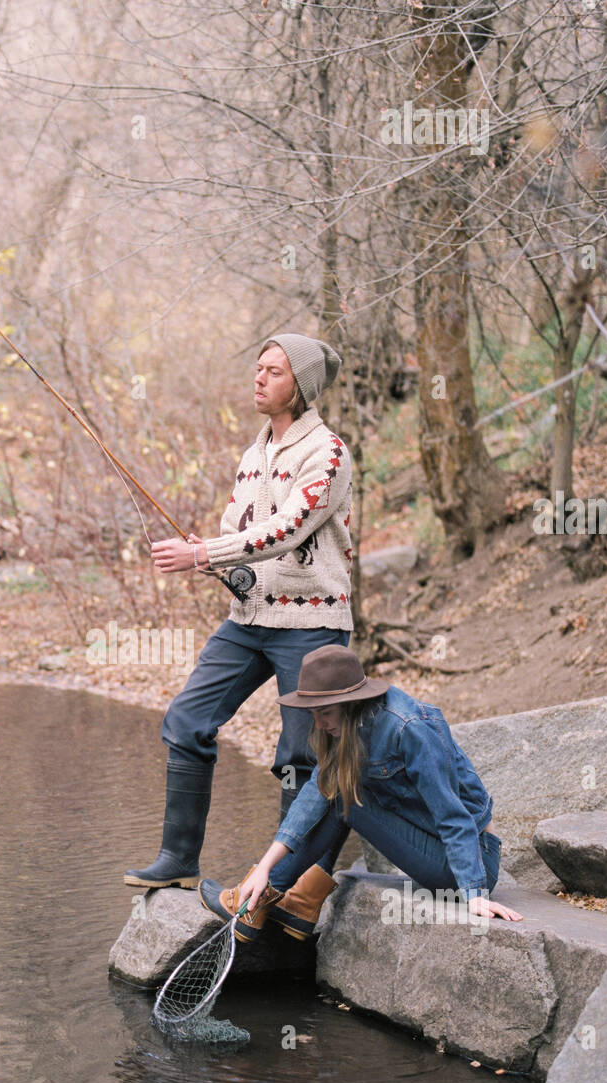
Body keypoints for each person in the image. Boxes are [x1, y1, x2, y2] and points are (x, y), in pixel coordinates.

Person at [125, 334, 354, 889]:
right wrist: (211, 557)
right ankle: (178, 863)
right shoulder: (254, 454)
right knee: (187, 722)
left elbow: (285, 530)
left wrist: (203, 553)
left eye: (273, 372)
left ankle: (285, 886)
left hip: (311, 623)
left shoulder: (328, 452)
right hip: (248, 621)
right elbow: (240, 532)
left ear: (301, 387)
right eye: (257, 368)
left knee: (302, 756)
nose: (258, 379)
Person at [198, 645, 523, 941]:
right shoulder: (348, 728)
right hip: (431, 845)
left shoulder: (408, 727)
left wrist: (474, 892)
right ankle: (292, 902)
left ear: (350, 703)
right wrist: (266, 865)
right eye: (314, 714)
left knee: (343, 799)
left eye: (325, 712)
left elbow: (451, 813)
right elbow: (313, 793)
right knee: (330, 788)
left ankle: (263, 900)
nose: (320, 724)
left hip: (469, 862)